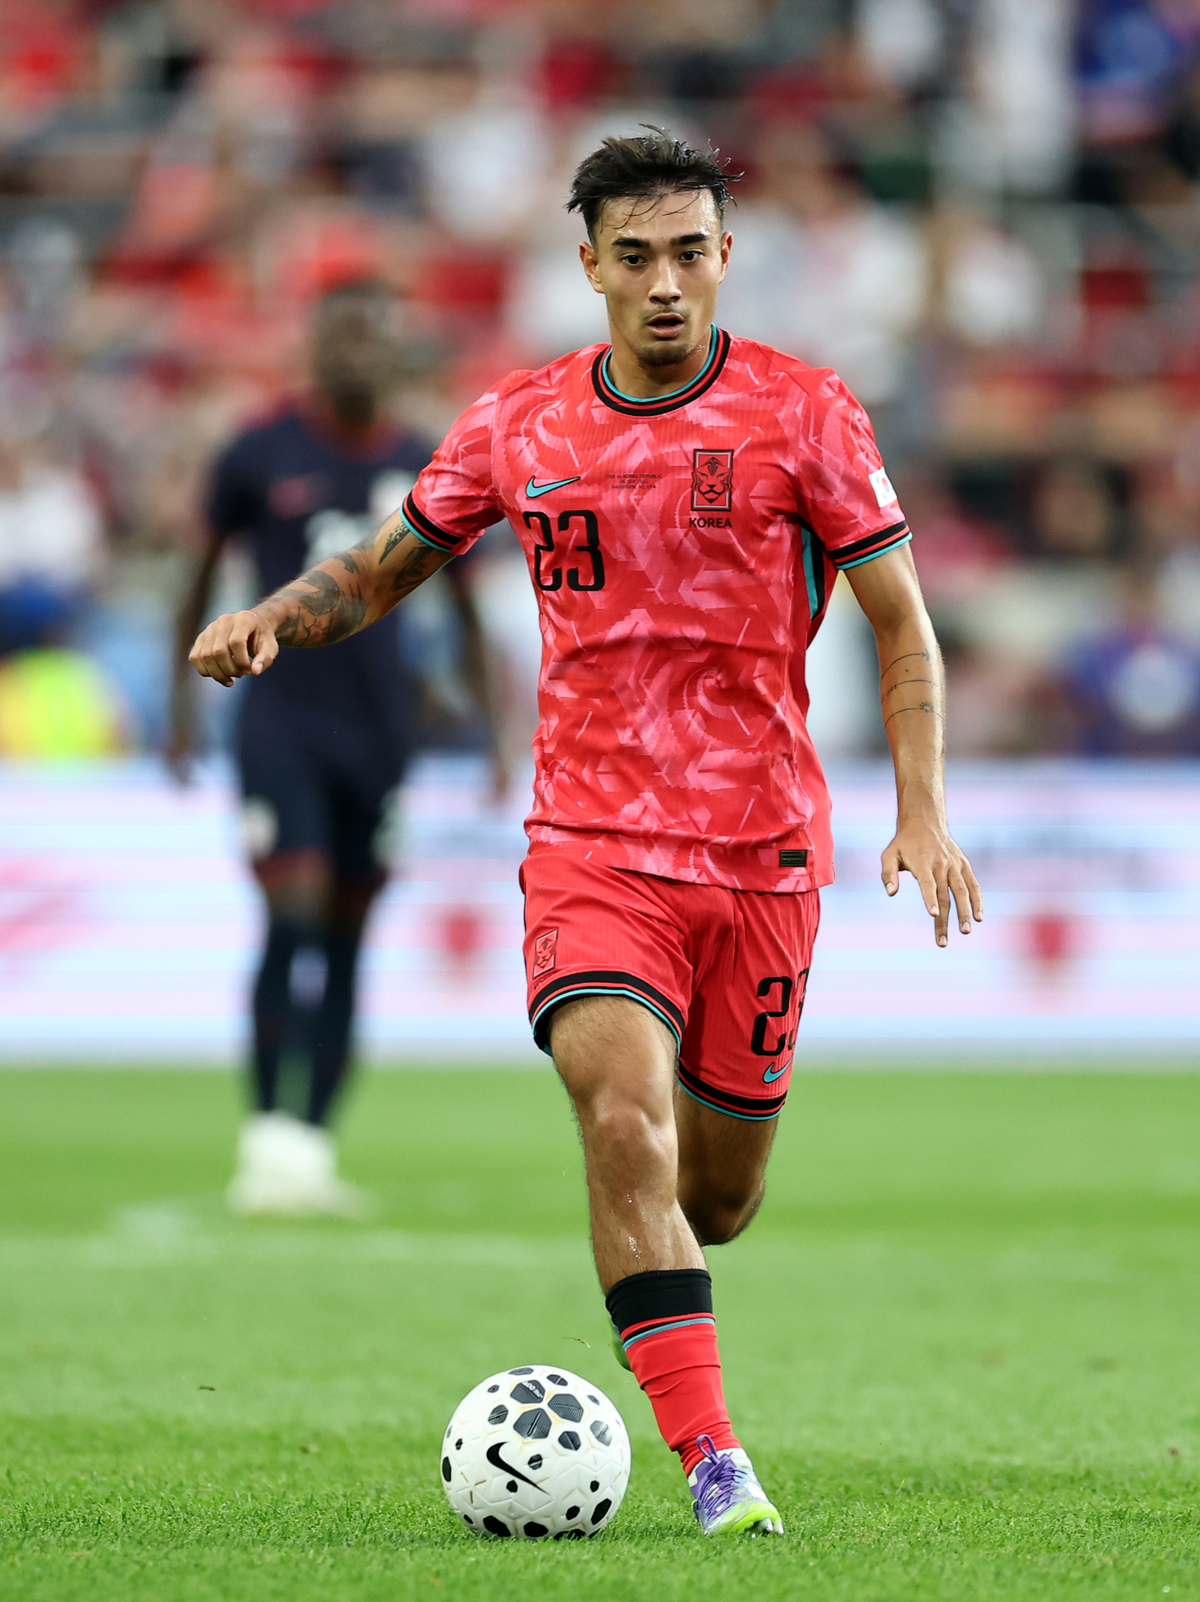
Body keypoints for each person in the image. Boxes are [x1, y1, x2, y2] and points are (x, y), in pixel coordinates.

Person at [188, 131, 982, 1534]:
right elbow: (383, 567)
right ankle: (716, 1461)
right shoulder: (519, 423)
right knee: (619, 1114)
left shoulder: (809, 414)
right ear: (590, 267)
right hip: (592, 842)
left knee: (717, 1197)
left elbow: (900, 621)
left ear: (726, 256)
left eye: (690, 251)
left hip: (764, 855)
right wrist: (272, 619)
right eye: (636, 256)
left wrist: (922, 806)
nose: (666, 283)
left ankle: (657, 1252)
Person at [172, 278, 501, 1218]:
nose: (358, 354)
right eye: (342, 337)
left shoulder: (420, 459)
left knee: (353, 937)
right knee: (292, 913)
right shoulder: (258, 450)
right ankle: (264, 1138)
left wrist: (490, 736)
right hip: (279, 722)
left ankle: (310, 1146)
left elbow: (466, 608)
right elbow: (197, 581)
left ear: (398, 352)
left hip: (381, 732)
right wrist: (183, 711)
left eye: (375, 337)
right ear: (314, 349)